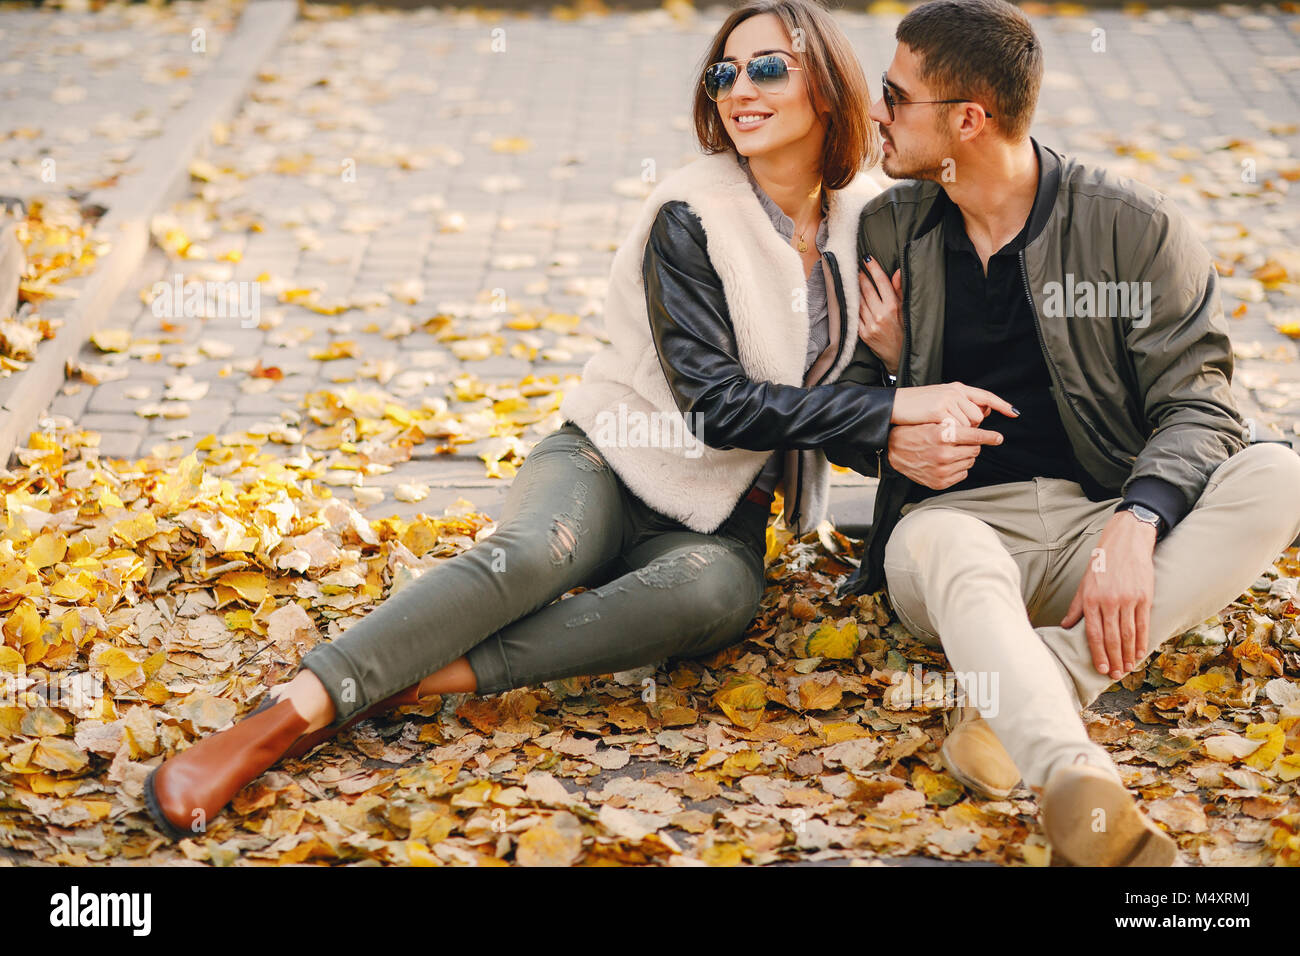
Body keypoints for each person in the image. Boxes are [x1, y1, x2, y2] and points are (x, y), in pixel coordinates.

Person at [142, 0, 1014, 843]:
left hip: (724, 517)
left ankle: (401, 682)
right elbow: (717, 408)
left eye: (766, 69)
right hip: (607, 462)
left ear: (824, 85)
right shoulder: (690, 215)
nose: (739, 89)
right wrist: (894, 402)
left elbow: (843, 419)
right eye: (723, 73)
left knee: (718, 598)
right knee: (530, 555)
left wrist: (894, 367)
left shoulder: (869, 222)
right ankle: (283, 717)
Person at [825, 0, 1300, 866]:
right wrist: (896, 407)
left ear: (968, 121)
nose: (876, 114)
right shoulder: (890, 227)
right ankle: (1073, 775)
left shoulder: (1133, 226)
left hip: (1099, 531)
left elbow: (1201, 403)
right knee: (954, 548)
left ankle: (1035, 683)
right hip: (951, 533)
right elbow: (840, 409)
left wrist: (1139, 518)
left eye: (894, 97)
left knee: (1280, 476)